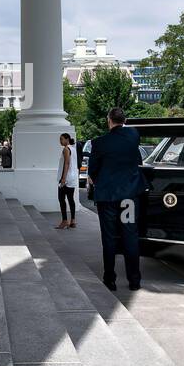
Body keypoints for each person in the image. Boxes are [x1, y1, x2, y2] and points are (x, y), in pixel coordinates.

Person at [87, 107, 147, 291]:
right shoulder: (133, 136)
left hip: (107, 198)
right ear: (125, 120)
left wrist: (101, 182)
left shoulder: (99, 143)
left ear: (108, 120)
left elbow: (92, 172)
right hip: (128, 197)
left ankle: (110, 279)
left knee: (109, 237)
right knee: (130, 236)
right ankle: (134, 280)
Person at [55, 133, 77, 229]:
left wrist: (63, 179)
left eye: (62, 139)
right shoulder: (73, 149)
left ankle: (64, 221)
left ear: (67, 139)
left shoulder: (66, 149)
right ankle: (73, 221)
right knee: (71, 199)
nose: (60, 141)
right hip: (72, 177)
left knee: (61, 199)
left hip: (66, 178)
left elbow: (67, 163)